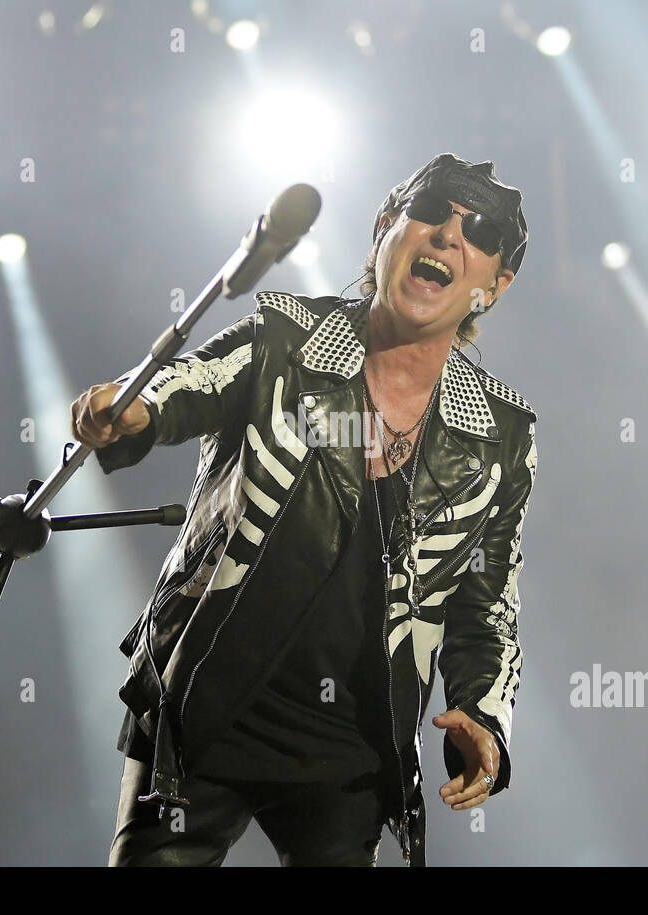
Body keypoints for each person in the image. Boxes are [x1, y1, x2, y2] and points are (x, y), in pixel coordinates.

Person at [71, 153, 538, 867]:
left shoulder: (501, 437)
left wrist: (484, 717)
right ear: (385, 230)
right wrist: (130, 410)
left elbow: (487, 605)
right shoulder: (280, 339)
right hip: (204, 711)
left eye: (480, 230)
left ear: (494, 287)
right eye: (432, 211)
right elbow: (182, 384)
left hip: (350, 751)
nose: (448, 235)